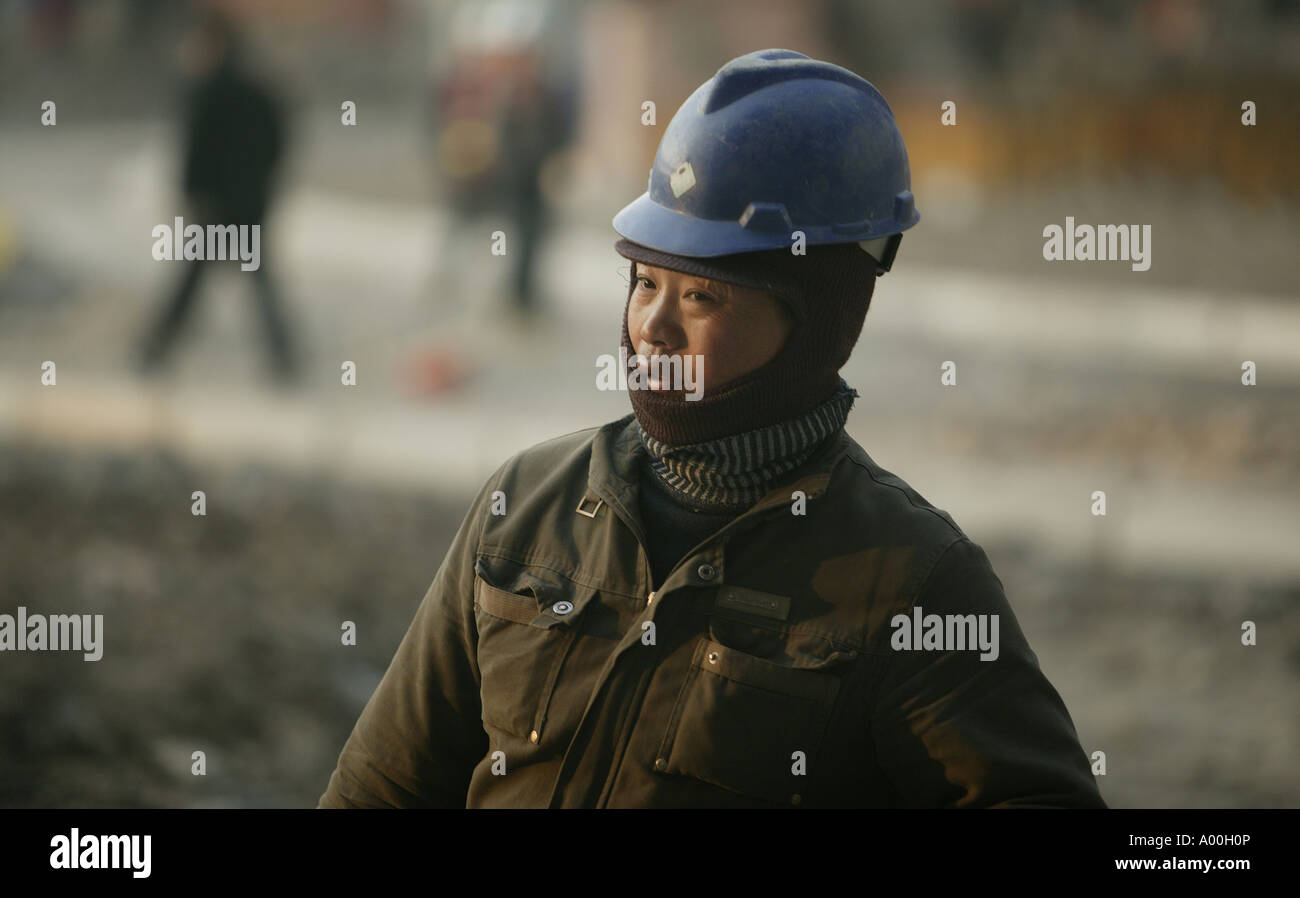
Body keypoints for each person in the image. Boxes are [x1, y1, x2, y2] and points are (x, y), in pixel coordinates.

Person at [318, 49, 1105, 808]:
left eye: (704, 297)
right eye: (645, 280)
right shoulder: (523, 509)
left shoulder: (909, 582)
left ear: (816, 325)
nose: (652, 326)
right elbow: (381, 788)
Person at [136, 11, 297, 381]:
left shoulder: (206, 90)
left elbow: (196, 152)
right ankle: (283, 358)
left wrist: (190, 194)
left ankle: (154, 350)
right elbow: (278, 145)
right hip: (251, 205)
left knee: (194, 284)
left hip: (215, 208)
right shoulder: (260, 89)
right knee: (256, 283)